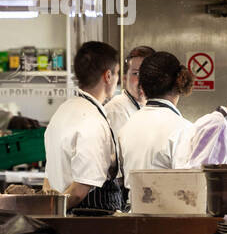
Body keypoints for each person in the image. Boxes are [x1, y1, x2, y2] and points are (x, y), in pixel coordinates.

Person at [43, 40, 124, 212]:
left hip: (65, 218)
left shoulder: (62, 111)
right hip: (91, 222)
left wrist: (51, 212)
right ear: (108, 76)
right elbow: (79, 192)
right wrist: (57, 212)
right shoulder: (92, 121)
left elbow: (48, 179)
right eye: (117, 73)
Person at [117, 51, 195, 190]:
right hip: (170, 210)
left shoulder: (127, 127)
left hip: (133, 209)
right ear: (179, 82)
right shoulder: (184, 130)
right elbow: (189, 187)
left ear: (142, 86)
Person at [104, 44, 154, 135]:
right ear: (124, 78)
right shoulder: (116, 111)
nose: (143, 79)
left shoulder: (149, 107)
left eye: (148, 73)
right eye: (136, 73)